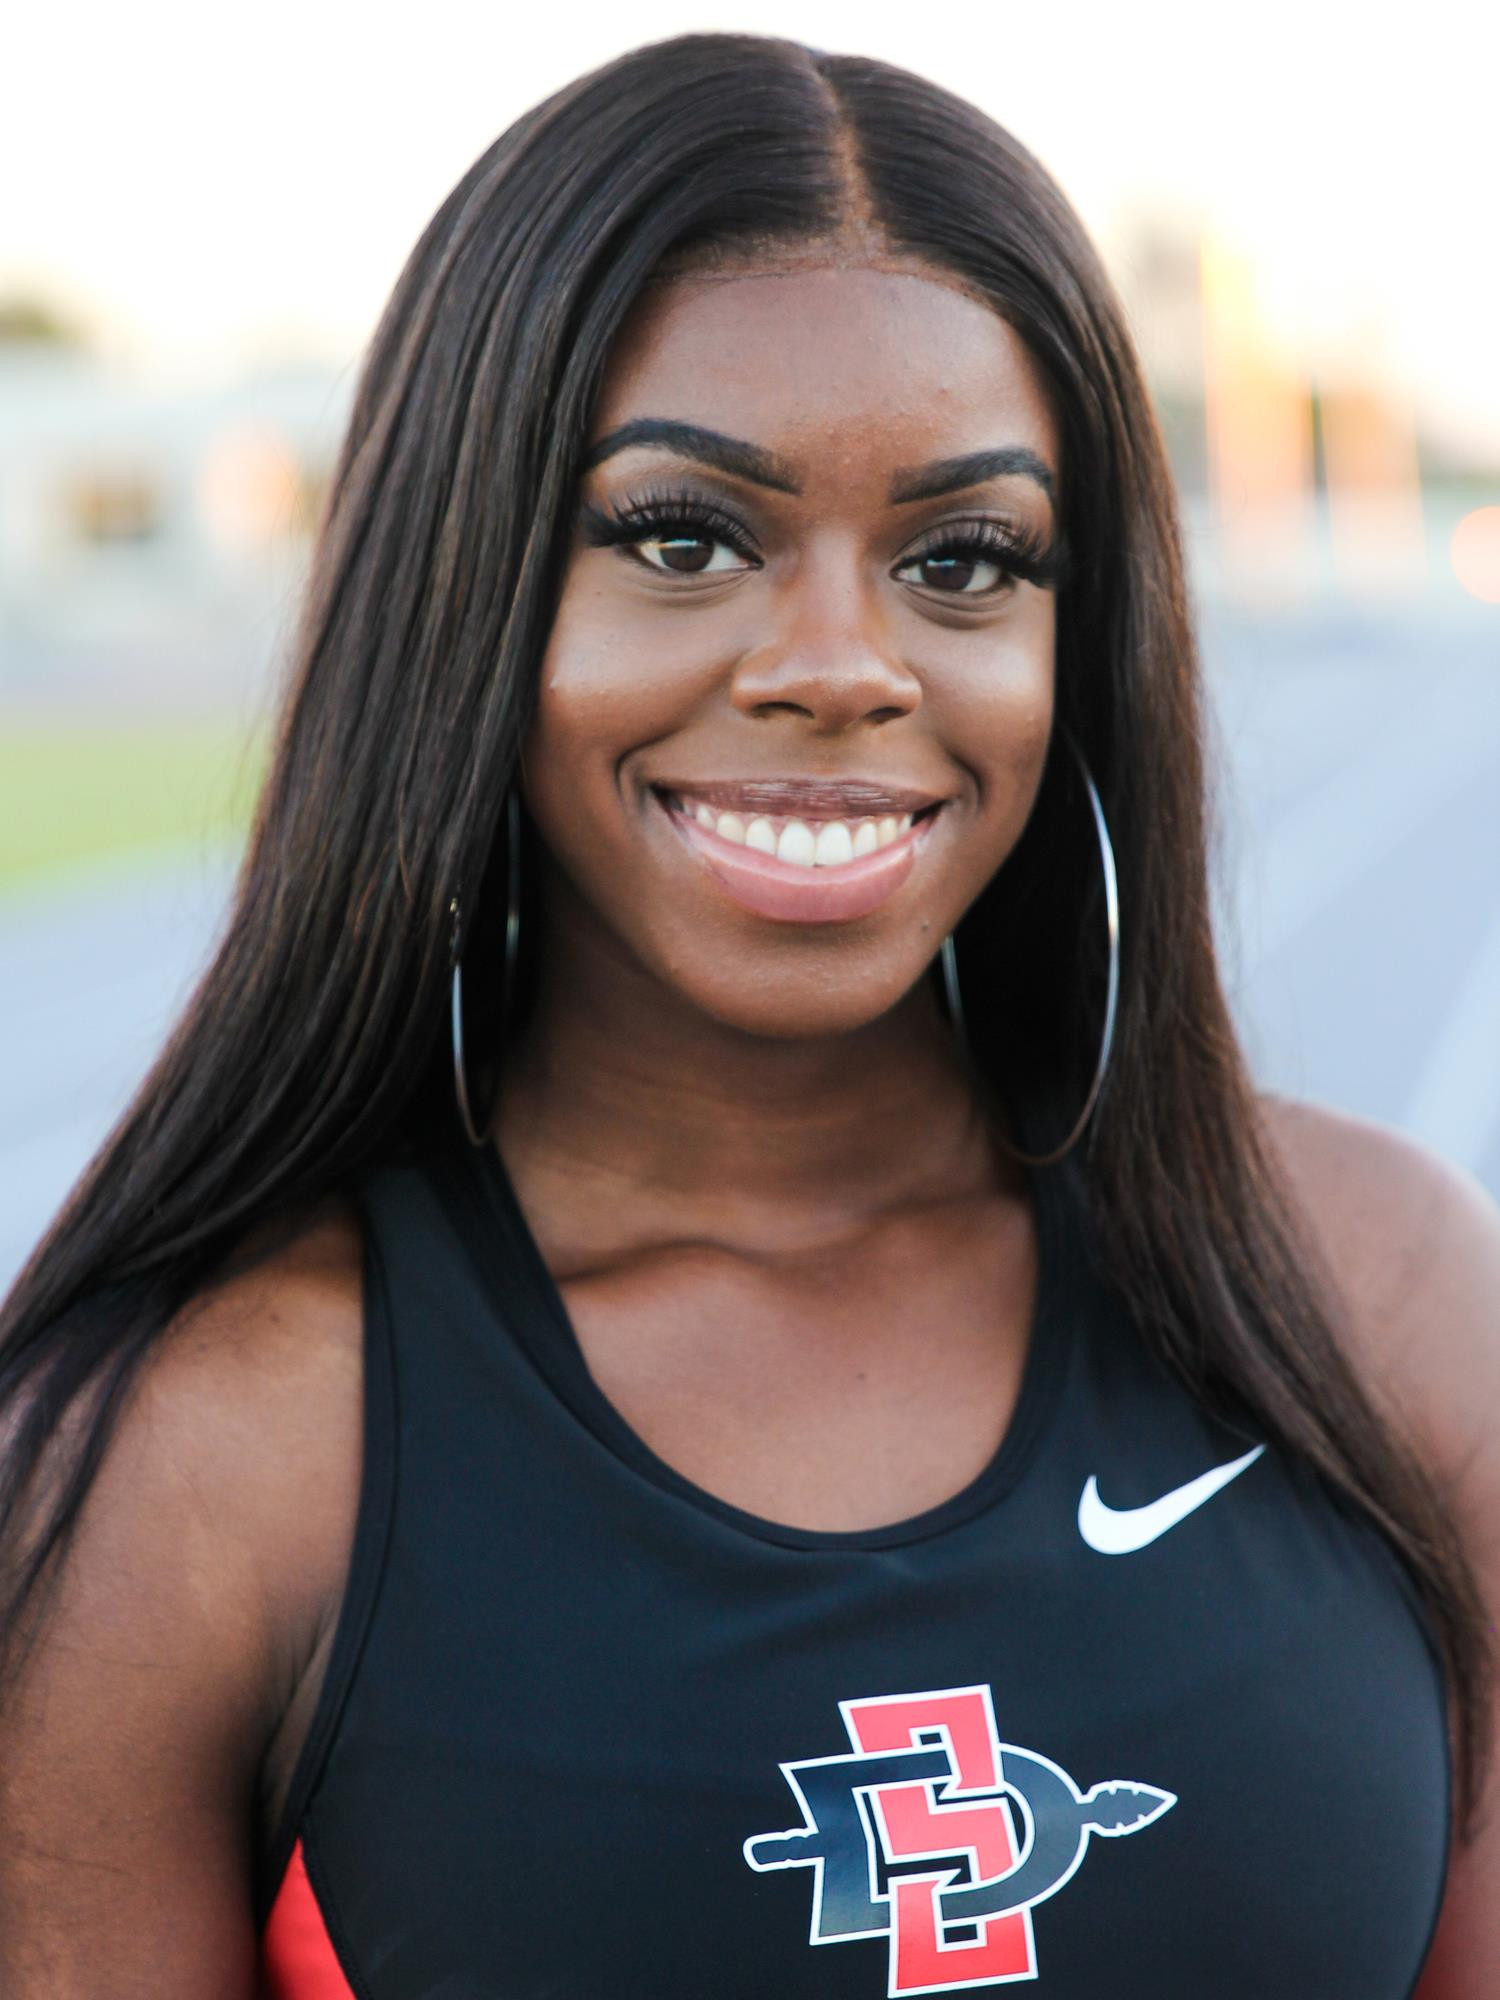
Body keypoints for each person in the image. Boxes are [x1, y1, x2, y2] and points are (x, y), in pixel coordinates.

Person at [0, 31, 1495, 1999]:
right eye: (683, 538)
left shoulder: (1371, 1294)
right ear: (466, 591)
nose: (839, 667)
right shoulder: (199, 1455)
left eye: (964, 561)